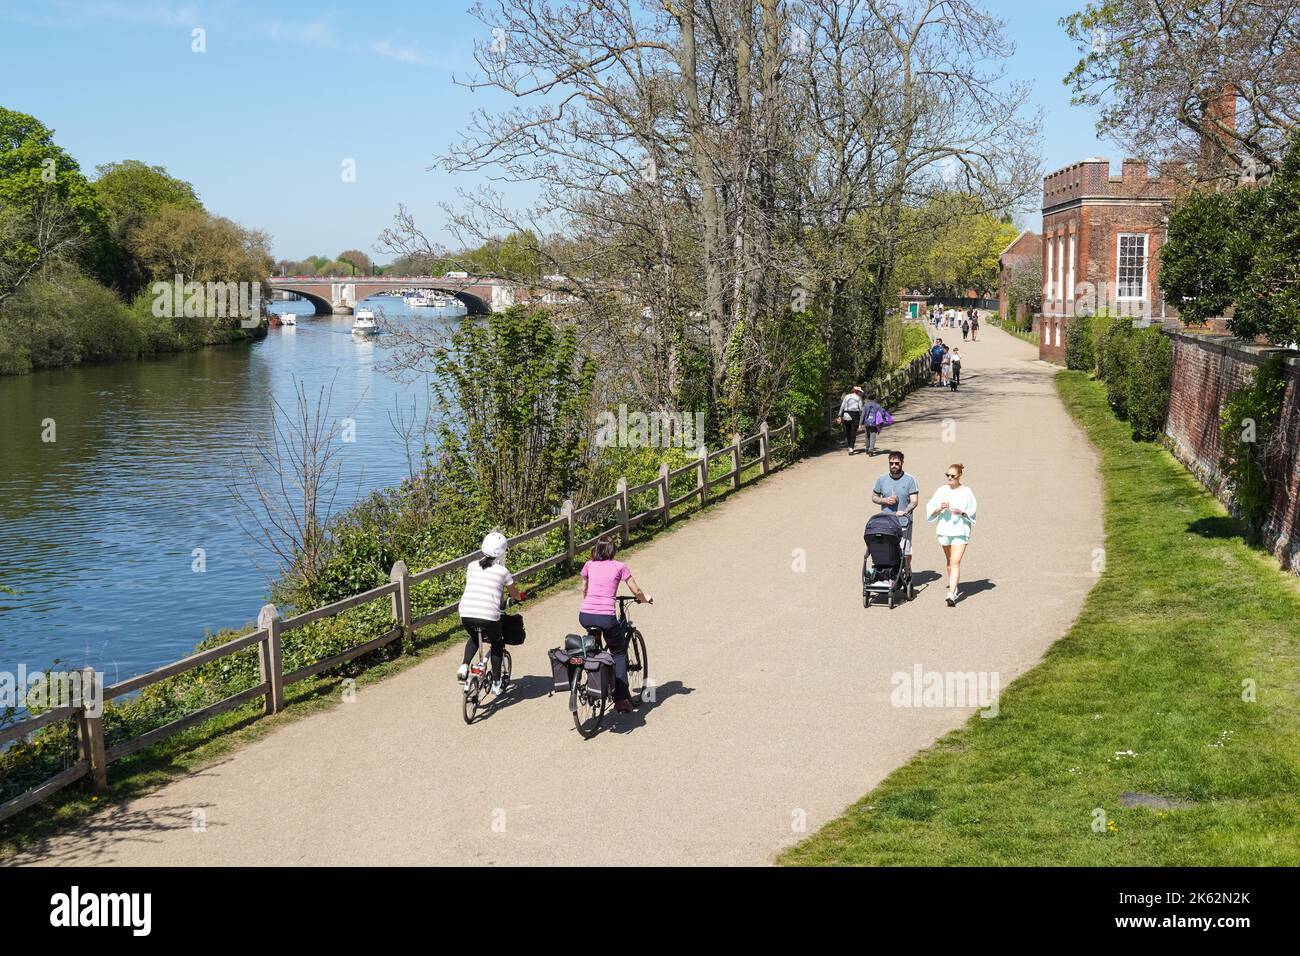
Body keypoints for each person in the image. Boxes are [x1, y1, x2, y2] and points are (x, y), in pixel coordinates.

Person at [579, 535, 651, 713]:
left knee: (594, 651)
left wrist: (590, 604)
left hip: (586, 615)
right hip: (605, 617)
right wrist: (644, 599)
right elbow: (636, 590)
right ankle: (620, 699)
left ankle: (594, 682)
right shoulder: (620, 567)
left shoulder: (589, 564)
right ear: (613, 550)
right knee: (618, 653)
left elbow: (584, 589)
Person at [457, 531, 528, 693]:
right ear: (502, 551)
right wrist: (520, 597)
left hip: (466, 612)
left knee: (475, 636)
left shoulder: (471, 566)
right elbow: (514, 594)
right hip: (488, 615)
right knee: (497, 642)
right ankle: (496, 682)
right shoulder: (503, 572)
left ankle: (464, 665)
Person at [926, 463, 978, 606]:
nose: (949, 478)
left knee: (956, 561)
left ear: (959, 476)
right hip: (944, 530)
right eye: (947, 475)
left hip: (960, 531)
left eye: (952, 476)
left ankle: (951, 594)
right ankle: (954, 587)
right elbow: (931, 509)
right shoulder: (941, 490)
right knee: (949, 562)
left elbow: (972, 511)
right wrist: (939, 508)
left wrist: (961, 512)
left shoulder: (967, 492)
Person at [872, 451, 919, 572]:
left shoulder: (910, 480)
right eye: (891, 463)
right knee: (887, 550)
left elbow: (914, 501)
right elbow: (874, 497)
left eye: (897, 463)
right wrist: (885, 500)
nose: (894, 465)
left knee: (905, 551)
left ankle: (907, 570)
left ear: (902, 463)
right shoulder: (881, 479)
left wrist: (904, 511)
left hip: (904, 522)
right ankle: (890, 573)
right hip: (886, 523)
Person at [837, 385, 864, 455]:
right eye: (860, 392)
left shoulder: (847, 396)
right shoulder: (858, 398)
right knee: (853, 432)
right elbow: (861, 408)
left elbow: (842, 406)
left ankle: (850, 446)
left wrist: (840, 415)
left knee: (848, 431)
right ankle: (851, 447)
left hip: (846, 414)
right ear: (857, 391)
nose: (860, 393)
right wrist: (862, 416)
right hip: (855, 415)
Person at [861, 392, 884, 456]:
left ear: (868, 398)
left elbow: (862, 415)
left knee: (867, 436)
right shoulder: (877, 405)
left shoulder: (865, 405)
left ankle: (867, 448)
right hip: (874, 423)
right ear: (874, 398)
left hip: (867, 423)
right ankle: (871, 451)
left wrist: (860, 423)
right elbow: (882, 413)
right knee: (872, 437)